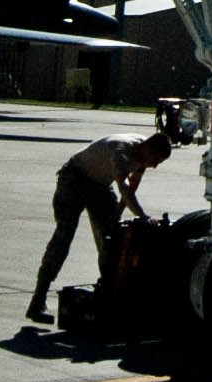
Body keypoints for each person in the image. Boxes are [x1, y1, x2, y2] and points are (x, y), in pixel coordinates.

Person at [29, 117, 176, 327]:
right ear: (147, 149)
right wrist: (143, 216)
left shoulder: (143, 155)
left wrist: (115, 219)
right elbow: (124, 188)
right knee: (64, 236)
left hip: (98, 185)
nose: (154, 166)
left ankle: (109, 293)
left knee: (112, 239)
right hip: (73, 179)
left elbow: (132, 187)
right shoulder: (121, 152)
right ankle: (38, 300)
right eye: (155, 160)